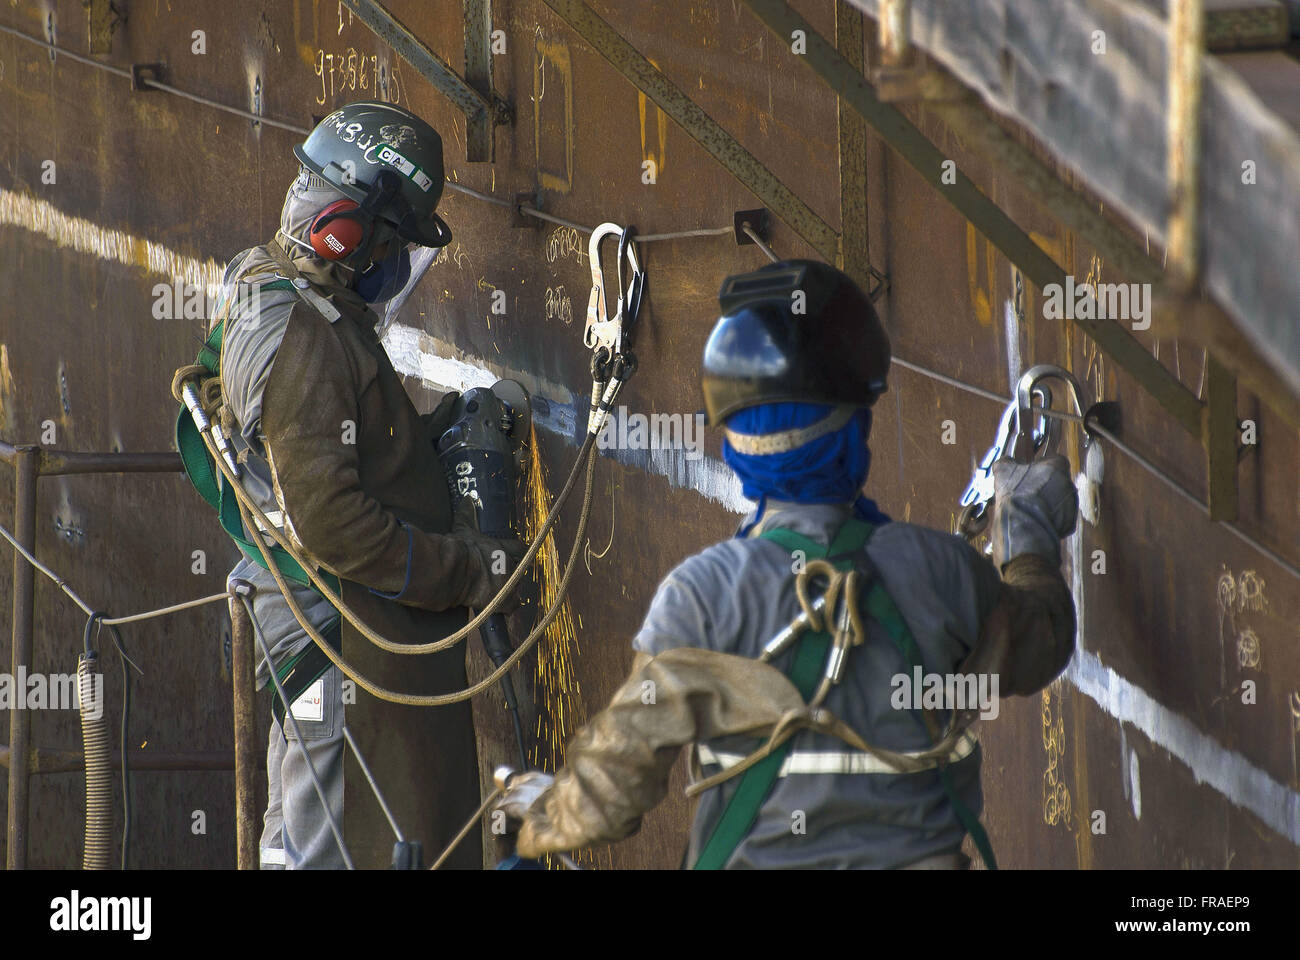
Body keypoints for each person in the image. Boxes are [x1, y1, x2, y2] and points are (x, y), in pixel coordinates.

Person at [496, 259, 1078, 869]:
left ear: (733, 443)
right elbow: (1045, 639)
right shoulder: (942, 571)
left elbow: (606, 805)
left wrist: (543, 812)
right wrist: (1026, 527)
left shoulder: (700, 597)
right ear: (857, 431)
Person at [177, 101, 524, 869]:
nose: (398, 264)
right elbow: (332, 522)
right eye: (393, 243)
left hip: (309, 620)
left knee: (300, 829)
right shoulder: (302, 334)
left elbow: (329, 452)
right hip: (334, 639)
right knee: (328, 843)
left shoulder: (270, 282)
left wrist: (431, 437)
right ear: (349, 232)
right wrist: (464, 568)